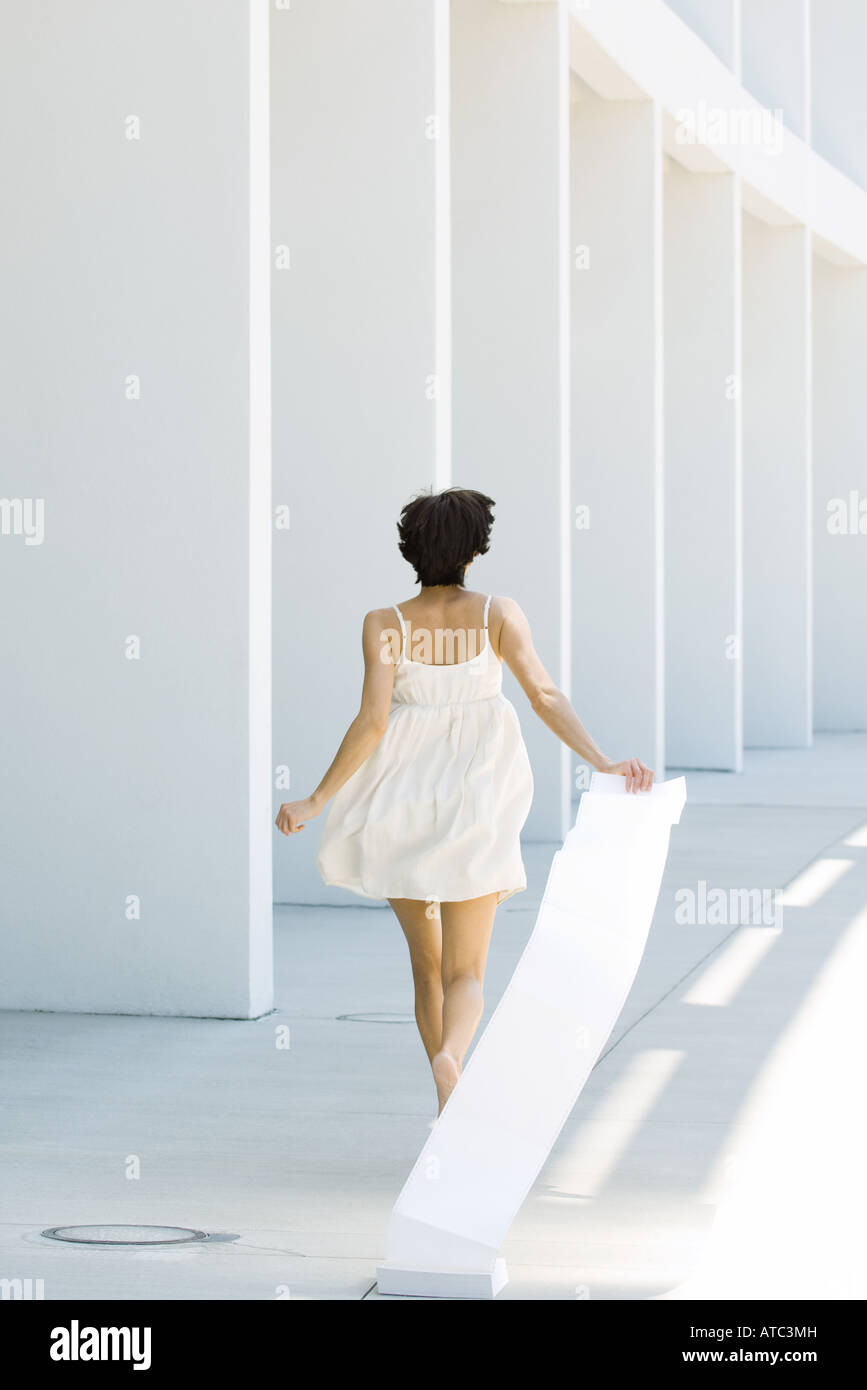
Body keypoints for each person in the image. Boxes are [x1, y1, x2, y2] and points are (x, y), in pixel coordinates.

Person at [276, 487, 653, 1114]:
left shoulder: (385, 625)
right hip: (475, 809)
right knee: (467, 974)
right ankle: (456, 1055)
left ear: (410, 549)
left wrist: (317, 799)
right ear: (474, 551)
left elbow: (372, 722)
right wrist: (604, 762)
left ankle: (444, 1091)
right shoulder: (496, 616)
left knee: (426, 972)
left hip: (399, 806)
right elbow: (544, 696)